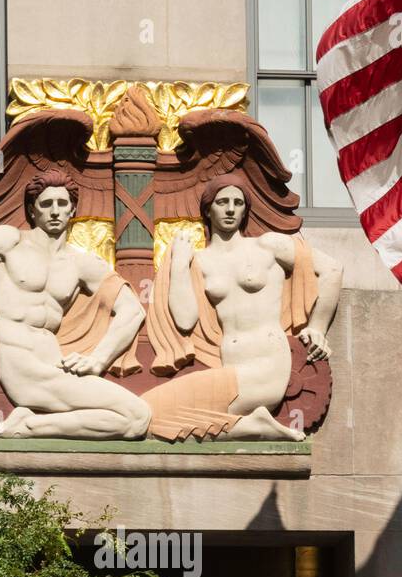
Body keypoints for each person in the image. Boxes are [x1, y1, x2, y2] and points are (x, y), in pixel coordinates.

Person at [0, 170, 151, 440]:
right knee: (136, 416)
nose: (54, 211)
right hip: (22, 365)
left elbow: (133, 309)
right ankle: (26, 426)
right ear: (32, 209)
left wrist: (98, 359)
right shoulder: (10, 241)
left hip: (57, 365)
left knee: (137, 419)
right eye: (46, 204)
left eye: (62, 204)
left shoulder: (80, 263)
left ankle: (28, 424)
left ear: (72, 209)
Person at [143, 175, 342, 441]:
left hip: (267, 365)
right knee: (151, 415)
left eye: (237, 203)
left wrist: (317, 327)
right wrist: (179, 263)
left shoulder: (268, 246)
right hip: (230, 366)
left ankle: (255, 426)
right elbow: (185, 319)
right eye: (222, 202)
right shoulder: (199, 261)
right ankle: (252, 426)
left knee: (151, 414)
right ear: (208, 210)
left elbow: (331, 269)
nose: (230, 209)